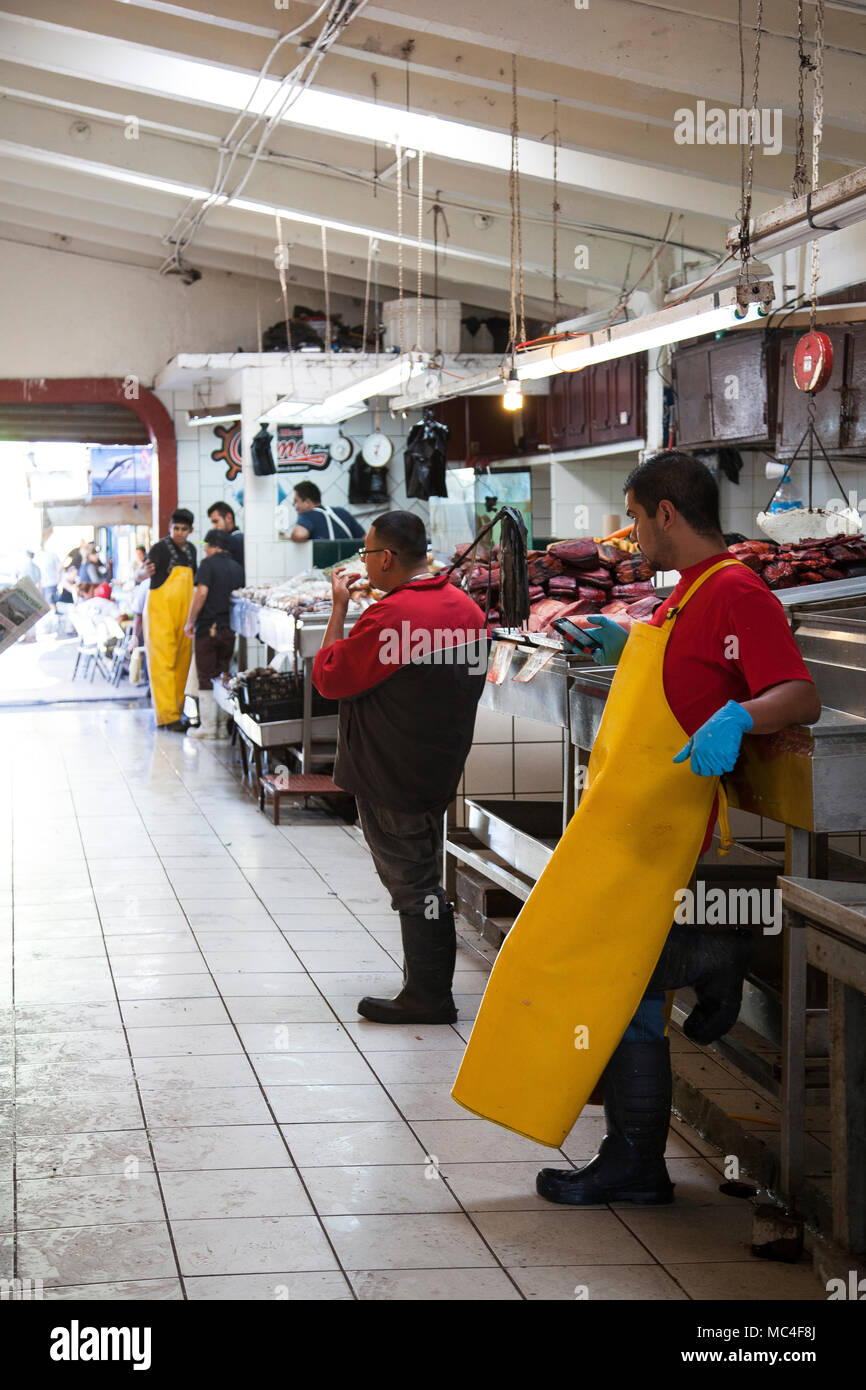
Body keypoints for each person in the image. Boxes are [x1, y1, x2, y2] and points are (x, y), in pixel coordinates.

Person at [453, 450, 821, 1207]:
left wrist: (742, 715)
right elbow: (677, 672)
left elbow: (799, 693)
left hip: (660, 825)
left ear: (667, 513)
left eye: (634, 516)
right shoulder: (685, 594)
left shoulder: (738, 591)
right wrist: (625, 652)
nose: (628, 534)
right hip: (622, 818)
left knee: (615, 980)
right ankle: (637, 1148)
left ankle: (704, 965)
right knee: (610, 982)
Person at [313, 510, 488, 1024]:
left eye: (367, 553)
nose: (364, 562)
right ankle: (427, 987)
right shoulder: (464, 606)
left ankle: (429, 996)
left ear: (386, 557)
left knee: (413, 885)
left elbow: (330, 677)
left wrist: (340, 608)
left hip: (390, 770)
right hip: (436, 765)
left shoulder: (389, 618)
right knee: (425, 874)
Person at [184, 529, 244, 739]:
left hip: (208, 629)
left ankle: (209, 727)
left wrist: (190, 621)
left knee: (206, 676)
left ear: (214, 547)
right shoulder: (237, 567)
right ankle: (221, 726)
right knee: (222, 674)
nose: (205, 550)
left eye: (206, 546)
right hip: (229, 630)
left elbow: (201, 593)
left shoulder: (208, 564)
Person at [140, 509, 196, 731]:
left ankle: (178, 711)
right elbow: (143, 572)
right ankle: (166, 716)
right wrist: (142, 571)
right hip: (160, 615)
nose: (179, 533)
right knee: (163, 664)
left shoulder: (191, 551)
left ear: (190, 530)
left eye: (184, 529)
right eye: (176, 528)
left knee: (183, 663)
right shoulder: (160, 548)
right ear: (170, 527)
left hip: (184, 615)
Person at [290, 481, 365, 542]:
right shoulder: (342, 512)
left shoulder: (307, 515)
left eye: (296, 501)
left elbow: (299, 535)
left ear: (307, 502)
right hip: (349, 559)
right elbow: (365, 538)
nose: (293, 505)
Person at [207, 501, 244, 576]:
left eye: (216, 521)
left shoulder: (232, 541)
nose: (214, 526)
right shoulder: (242, 538)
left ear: (229, 517)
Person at [35, 533, 61, 609]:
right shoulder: (50, 555)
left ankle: (53, 618)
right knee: (50, 604)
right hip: (49, 583)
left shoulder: (39, 556)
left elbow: (59, 570)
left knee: (49, 604)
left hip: (48, 583)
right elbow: (59, 569)